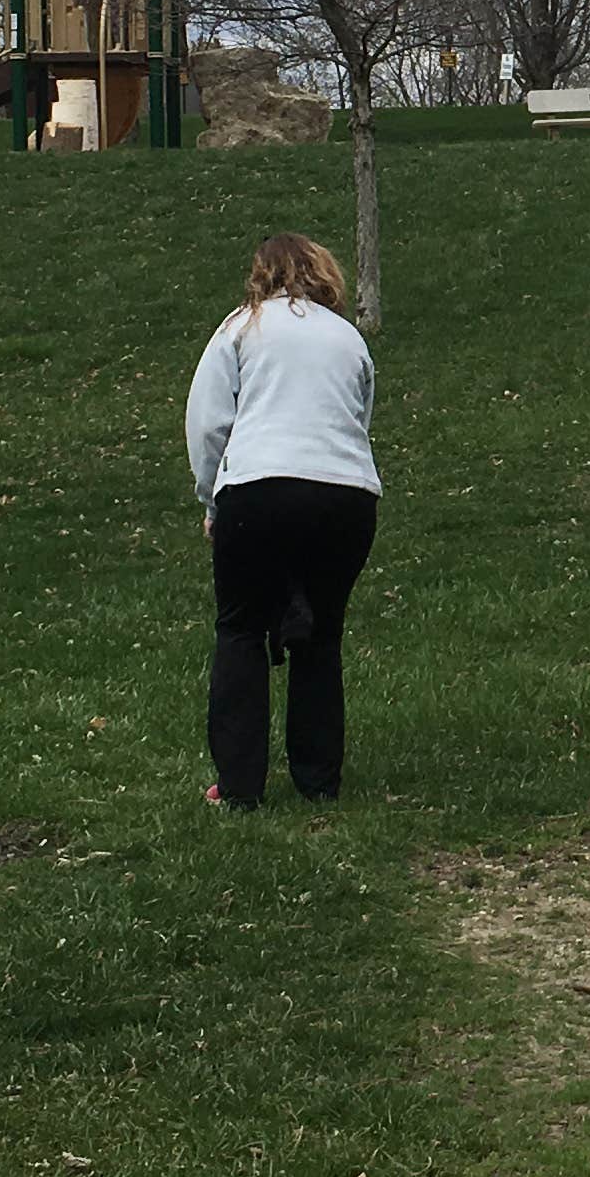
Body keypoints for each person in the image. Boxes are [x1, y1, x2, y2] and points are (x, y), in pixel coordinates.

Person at [181, 233, 383, 808]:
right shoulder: (348, 338)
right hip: (346, 496)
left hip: (258, 490)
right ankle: (319, 782)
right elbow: (359, 418)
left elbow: (208, 422)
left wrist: (212, 501)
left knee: (241, 629)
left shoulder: (242, 327)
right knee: (320, 636)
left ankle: (240, 789)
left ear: (261, 274)